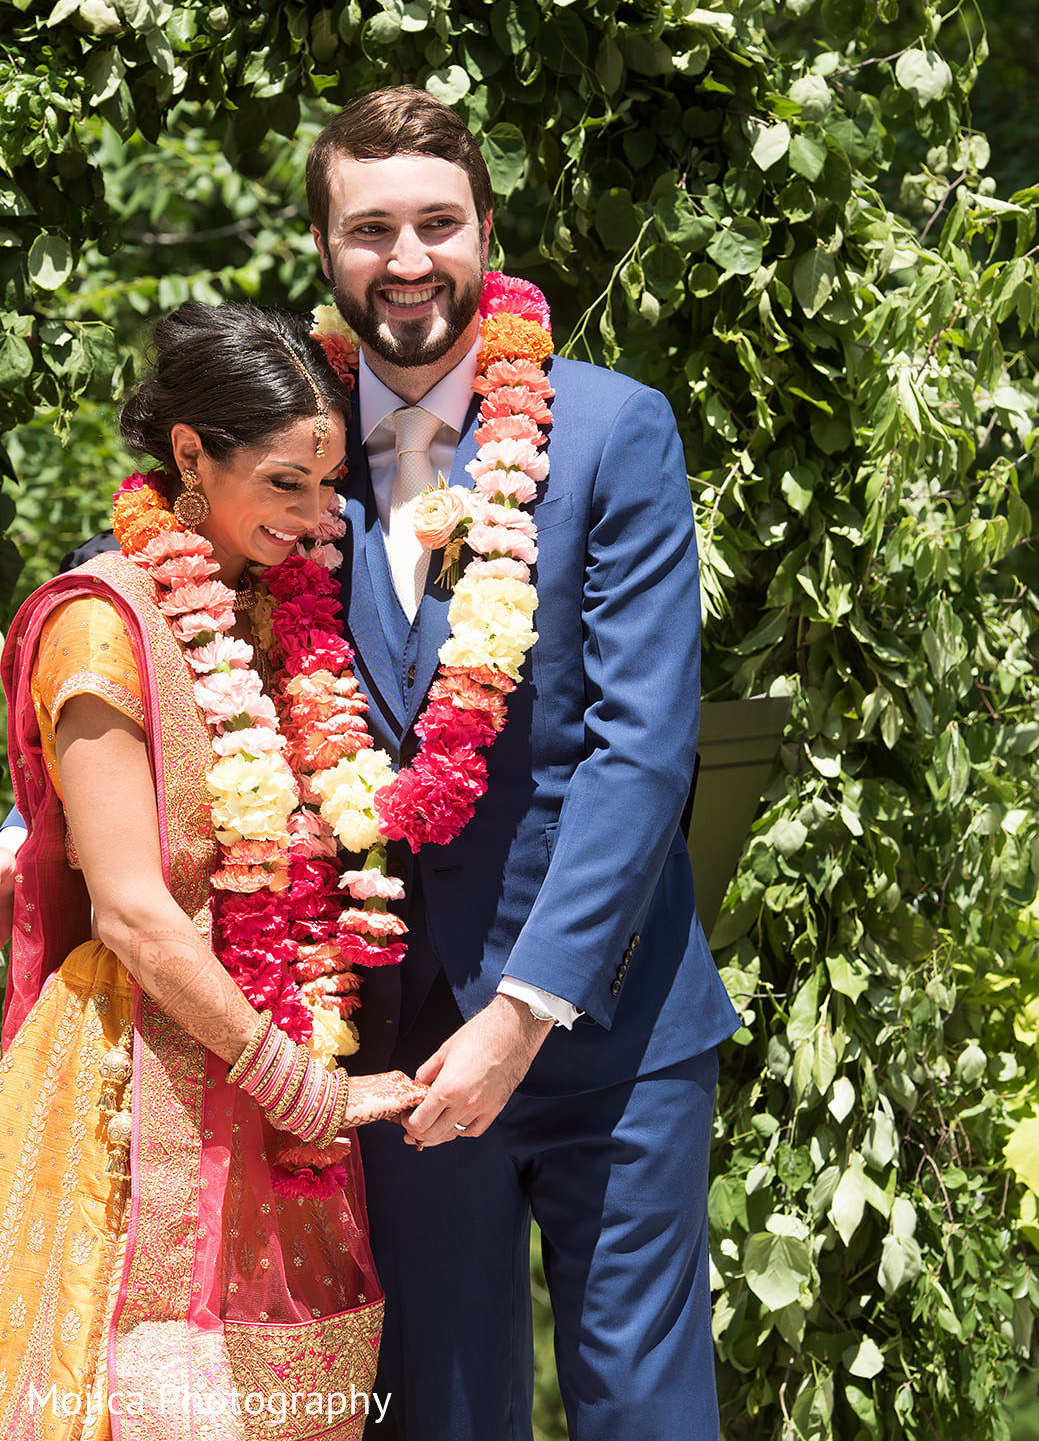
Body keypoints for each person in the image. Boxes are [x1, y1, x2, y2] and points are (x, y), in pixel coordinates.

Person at [304, 86, 740, 1441]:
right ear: (324, 249)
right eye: (371, 228)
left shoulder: (615, 432)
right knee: (436, 1412)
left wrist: (526, 1007)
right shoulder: (284, 449)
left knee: (640, 1410)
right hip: (394, 1043)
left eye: (438, 222)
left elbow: (640, 745)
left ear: (486, 231)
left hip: (611, 1028)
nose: (409, 259)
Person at [0, 302, 425, 1438]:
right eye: (285, 483)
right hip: (139, 1093)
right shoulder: (97, 630)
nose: (315, 515)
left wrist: (300, 1082)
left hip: (277, 1078)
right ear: (189, 453)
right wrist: (298, 1086)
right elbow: (135, 911)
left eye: (328, 486)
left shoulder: (277, 615)